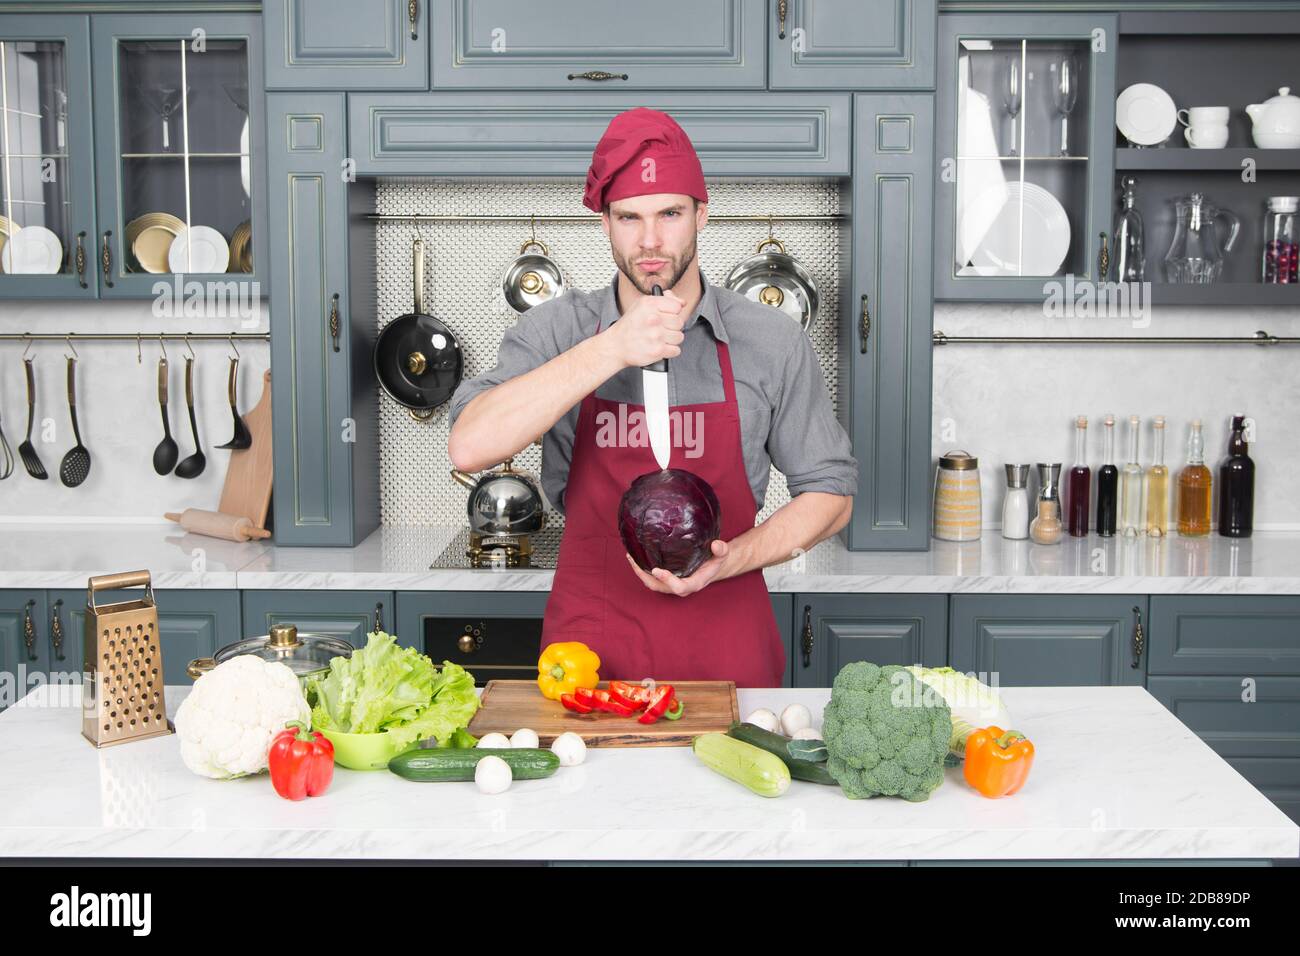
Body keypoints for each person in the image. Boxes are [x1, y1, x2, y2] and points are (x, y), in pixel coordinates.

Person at [448, 107, 856, 687]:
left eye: (670, 213)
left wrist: (727, 561)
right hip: (589, 649)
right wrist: (610, 349)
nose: (650, 241)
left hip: (727, 642)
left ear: (701, 215)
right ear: (605, 225)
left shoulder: (771, 340)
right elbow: (469, 445)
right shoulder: (557, 331)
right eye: (628, 217)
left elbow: (832, 493)